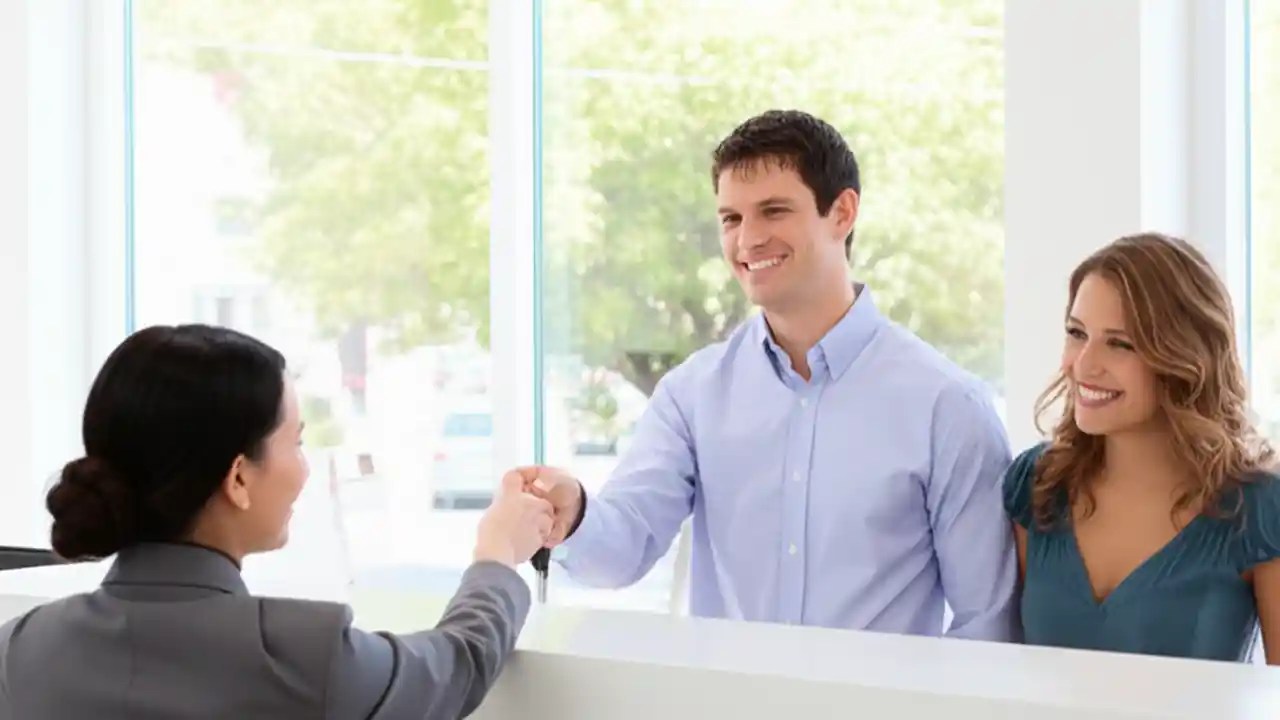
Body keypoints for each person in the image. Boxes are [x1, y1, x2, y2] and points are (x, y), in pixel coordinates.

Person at [524, 109, 1018, 639]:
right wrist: (573, 514)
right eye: (731, 219)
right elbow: (621, 550)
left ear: (842, 213)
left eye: (773, 211)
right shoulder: (692, 396)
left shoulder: (947, 407)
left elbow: (986, 624)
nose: (748, 240)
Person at [0, 324, 553, 718]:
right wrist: (497, 557)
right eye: (297, 441)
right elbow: (459, 663)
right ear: (239, 478)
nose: (304, 468)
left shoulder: (18, 649)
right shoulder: (301, 656)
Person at [1003, 232, 1280, 663]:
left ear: (1185, 357)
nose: (1084, 364)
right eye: (1077, 333)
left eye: (1120, 343)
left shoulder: (1260, 506)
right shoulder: (1036, 484)